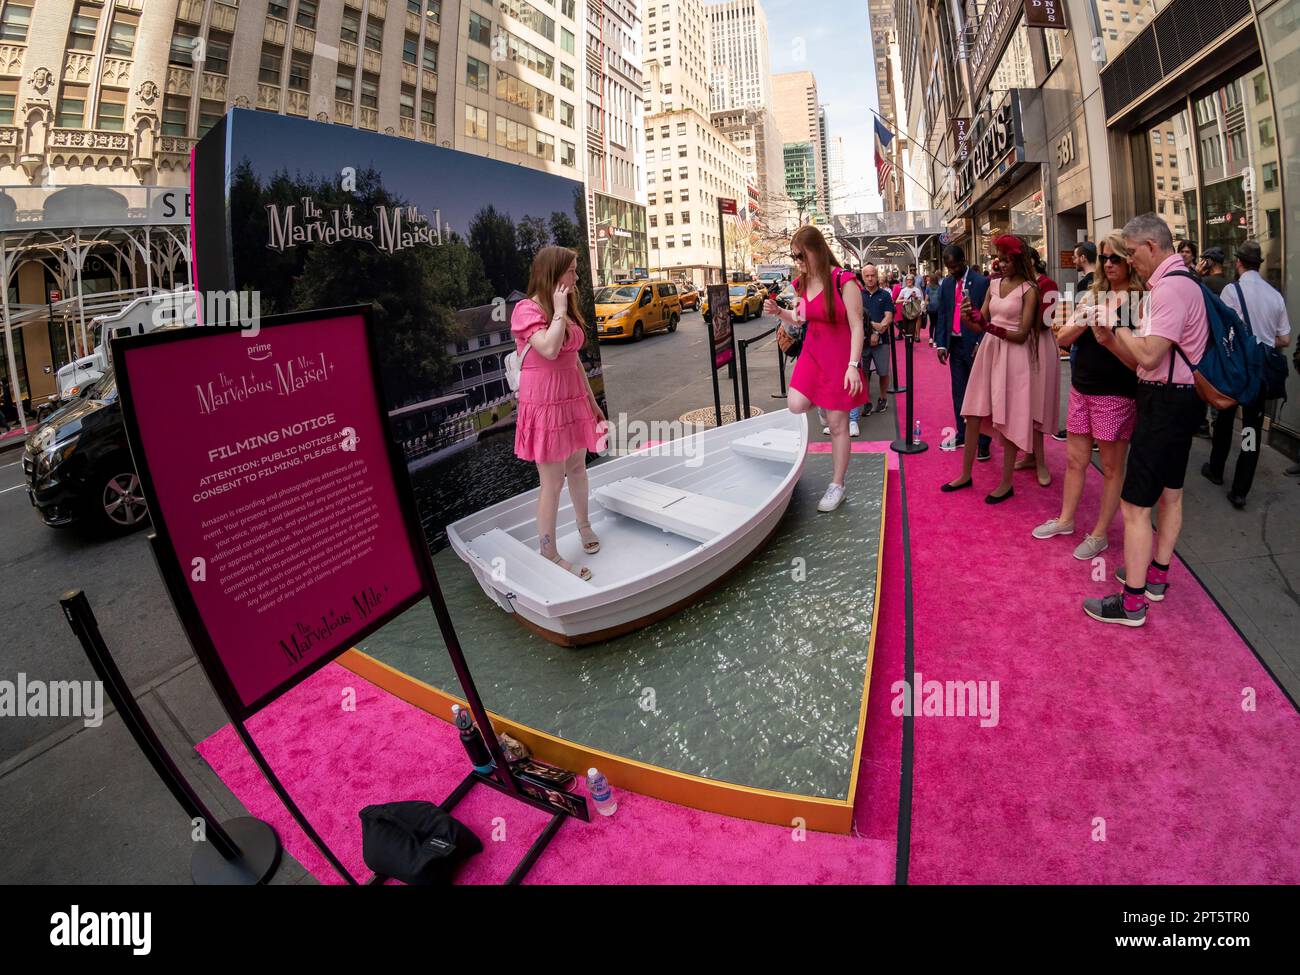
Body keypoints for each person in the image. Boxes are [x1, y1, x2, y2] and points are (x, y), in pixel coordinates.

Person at [1083, 213, 1209, 627]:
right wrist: (1111, 337)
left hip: (1164, 405)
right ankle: (1154, 576)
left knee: (1135, 505)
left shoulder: (1170, 289)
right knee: (1171, 494)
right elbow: (1144, 363)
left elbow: (1150, 356)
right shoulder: (1186, 283)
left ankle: (1132, 601)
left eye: (1131, 253)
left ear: (1152, 247)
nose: (1127, 261)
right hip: (1179, 398)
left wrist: (1115, 324)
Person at [1033, 232, 1142, 559]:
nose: (1108, 264)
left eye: (1116, 258)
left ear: (1129, 261)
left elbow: (1140, 360)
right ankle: (1066, 519)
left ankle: (1099, 533)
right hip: (1082, 388)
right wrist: (1085, 317)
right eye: (1104, 258)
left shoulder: (1140, 300)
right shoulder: (1092, 294)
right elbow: (1062, 338)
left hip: (1116, 394)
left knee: (1111, 468)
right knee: (1074, 460)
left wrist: (1109, 334)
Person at [512, 246, 607, 581]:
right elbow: (550, 348)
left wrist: (592, 403)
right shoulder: (526, 310)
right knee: (551, 481)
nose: (577, 277)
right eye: (572, 270)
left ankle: (584, 525)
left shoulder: (559, 307)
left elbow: (573, 358)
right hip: (546, 402)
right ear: (553, 272)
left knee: (578, 466)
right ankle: (549, 552)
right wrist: (561, 310)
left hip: (571, 397)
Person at [770, 224, 869, 512]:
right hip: (812, 355)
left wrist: (853, 365)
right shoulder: (801, 283)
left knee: (839, 426)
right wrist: (780, 312)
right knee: (796, 403)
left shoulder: (844, 280)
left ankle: (837, 484)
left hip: (840, 359)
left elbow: (857, 325)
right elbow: (800, 318)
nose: (798, 261)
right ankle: (827, 404)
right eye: (795, 256)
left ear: (816, 250)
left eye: (801, 255)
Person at [941, 234, 1041, 502]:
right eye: (1000, 259)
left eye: (1008, 259)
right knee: (973, 411)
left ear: (1018, 260)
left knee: (1007, 416)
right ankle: (965, 473)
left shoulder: (1030, 289)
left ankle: (1006, 482)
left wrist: (986, 326)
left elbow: (1022, 334)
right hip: (989, 350)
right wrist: (969, 316)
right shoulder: (993, 286)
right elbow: (979, 323)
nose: (1002, 263)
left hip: (1014, 356)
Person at [1205, 239, 1292, 507]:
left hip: (1235, 369)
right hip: (1260, 372)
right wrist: (1263, 341)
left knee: (1225, 419)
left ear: (1239, 262)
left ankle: (1216, 470)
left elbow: (1221, 330)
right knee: (1251, 429)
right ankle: (1241, 490)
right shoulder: (1275, 295)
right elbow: (1285, 339)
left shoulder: (1232, 291)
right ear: (1259, 265)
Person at [932, 244, 992, 460]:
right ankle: (963, 433)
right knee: (959, 392)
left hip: (976, 346)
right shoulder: (946, 284)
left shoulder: (981, 282)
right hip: (955, 345)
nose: (952, 271)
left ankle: (984, 442)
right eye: (948, 267)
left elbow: (988, 318)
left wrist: (980, 341)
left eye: (955, 266)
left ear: (964, 261)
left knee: (981, 394)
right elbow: (943, 315)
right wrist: (941, 344)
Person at [1013, 248, 1061, 487]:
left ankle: (1040, 461)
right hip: (1025, 345)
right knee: (1027, 404)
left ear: (1031, 261)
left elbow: (1045, 322)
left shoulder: (1048, 284)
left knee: (1038, 405)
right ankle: (1031, 456)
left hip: (1040, 346)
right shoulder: (1020, 285)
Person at [1057, 242, 1100, 441]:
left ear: (1083, 258)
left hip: (1084, 345)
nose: (1073, 260)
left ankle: (1086, 433)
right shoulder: (1095, 281)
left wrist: (1071, 336)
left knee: (1083, 394)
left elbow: (1080, 318)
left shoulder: (1087, 284)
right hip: (1088, 344)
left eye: (1075, 257)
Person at [857, 263, 894, 418]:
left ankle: (883, 398)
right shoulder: (858, 295)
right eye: (867, 276)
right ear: (863, 277)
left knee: (883, 372)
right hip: (862, 341)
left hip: (882, 341)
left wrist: (877, 330)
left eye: (873, 275)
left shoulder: (885, 295)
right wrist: (872, 326)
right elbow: (855, 318)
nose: (870, 278)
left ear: (877, 276)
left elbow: (888, 317)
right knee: (863, 373)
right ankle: (866, 401)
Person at [896, 272, 926, 341]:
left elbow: (921, 300)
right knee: (907, 327)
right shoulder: (904, 290)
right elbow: (897, 301)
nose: (909, 281)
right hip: (906, 310)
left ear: (913, 281)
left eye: (911, 280)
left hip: (915, 309)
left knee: (915, 323)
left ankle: (917, 336)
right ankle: (910, 337)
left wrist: (915, 297)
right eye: (907, 279)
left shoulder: (917, 290)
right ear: (906, 281)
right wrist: (904, 300)